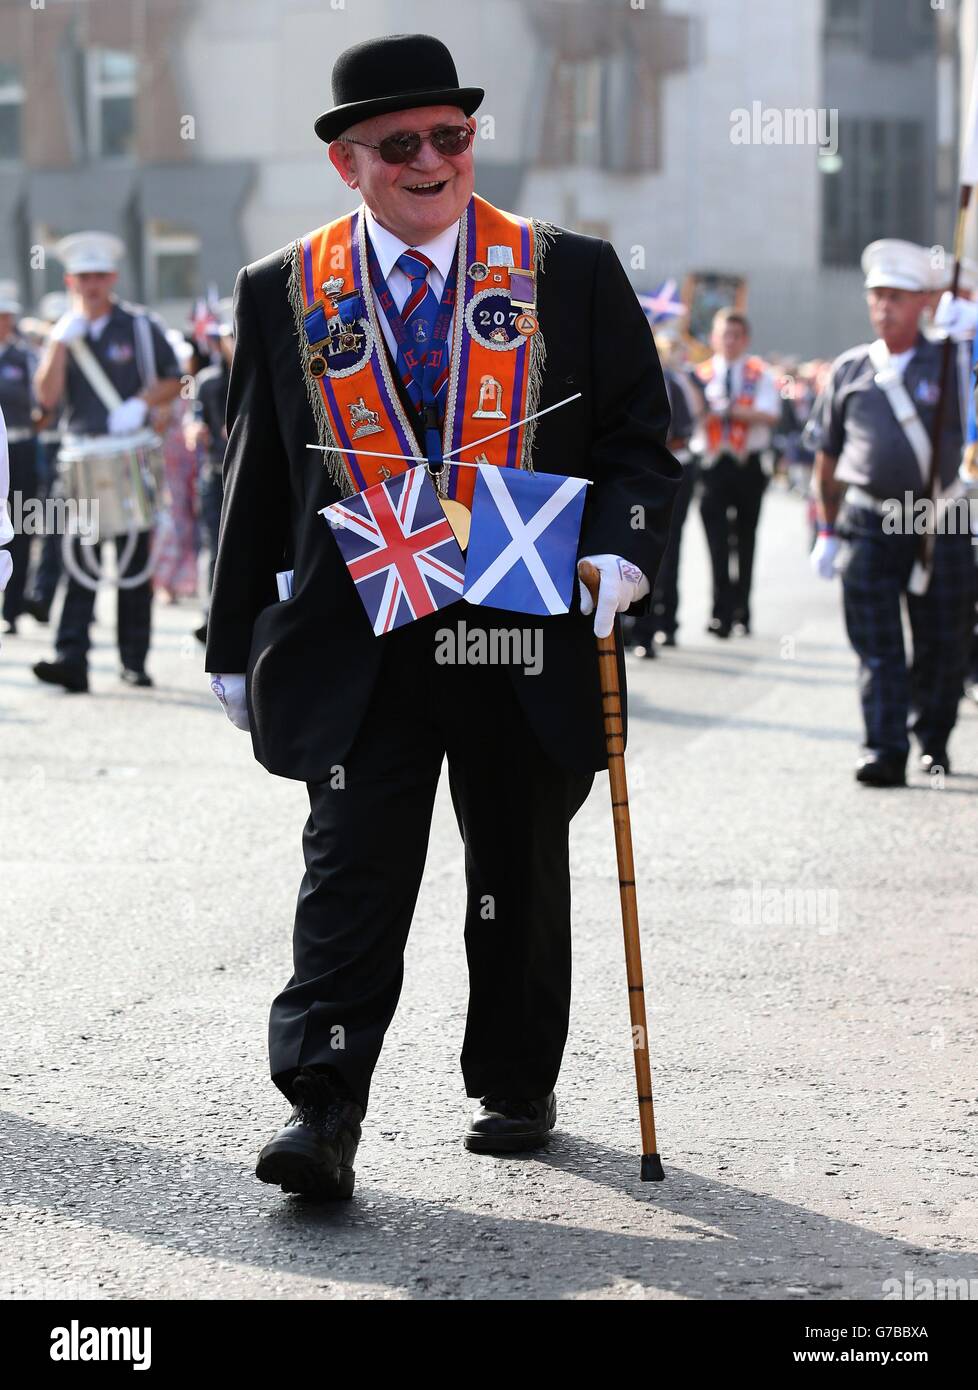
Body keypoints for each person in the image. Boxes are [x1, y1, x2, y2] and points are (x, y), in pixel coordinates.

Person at [204, 33, 680, 1199]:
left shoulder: (568, 271)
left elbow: (635, 440)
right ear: (347, 163)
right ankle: (323, 1105)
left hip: (519, 623)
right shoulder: (284, 287)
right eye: (401, 143)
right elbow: (254, 474)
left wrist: (620, 553)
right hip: (362, 631)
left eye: (451, 136)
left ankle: (514, 1077)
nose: (433, 160)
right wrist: (230, 640)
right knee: (352, 870)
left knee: (513, 864)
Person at [809, 239, 974, 786]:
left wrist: (970, 331)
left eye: (898, 297)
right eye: (877, 295)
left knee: (943, 639)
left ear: (925, 301)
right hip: (868, 520)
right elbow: (827, 458)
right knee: (877, 644)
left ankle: (933, 738)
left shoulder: (955, 359)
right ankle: (884, 747)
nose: (884, 307)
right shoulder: (852, 369)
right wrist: (827, 530)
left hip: (940, 519)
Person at [31, 232, 181, 693]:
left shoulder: (138, 325)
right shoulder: (64, 332)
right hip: (81, 457)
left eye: (99, 276)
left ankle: (132, 660)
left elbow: (176, 378)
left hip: (130, 455)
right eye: (83, 277)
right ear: (71, 280)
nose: (91, 285)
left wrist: (140, 403)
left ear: (112, 277)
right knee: (78, 561)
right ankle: (70, 656)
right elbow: (46, 398)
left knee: (134, 564)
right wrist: (58, 343)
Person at [691, 310, 780, 637]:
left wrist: (731, 410)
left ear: (745, 339)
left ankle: (743, 610)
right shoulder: (700, 375)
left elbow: (770, 414)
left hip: (747, 464)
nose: (729, 341)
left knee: (745, 539)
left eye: (736, 335)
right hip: (713, 465)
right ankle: (720, 612)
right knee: (715, 542)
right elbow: (690, 418)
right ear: (714, 338)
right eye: (723, 334)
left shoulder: (760, 374)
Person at [630, 333, 698, 656]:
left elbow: (686, 428)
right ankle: (635, 627)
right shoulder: (625, 377)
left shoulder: (676, 382)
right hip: (633, 474)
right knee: (631, 547)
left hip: (666, 473)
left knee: (664, 549)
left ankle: (659, 623)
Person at [190, 305, 234, 644]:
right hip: (216, 472)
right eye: (225, 337)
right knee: (215, 547)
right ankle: (212, 615)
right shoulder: (206, 382)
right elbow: (196, 418)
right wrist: (195, 430)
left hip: (252, 476)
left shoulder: (262, 375)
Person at [0, 282, 37, 635]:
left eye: (6, 316)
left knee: (20, 528)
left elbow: (41, 405)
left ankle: (11, 607)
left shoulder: (23, 356)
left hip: (18, 449)